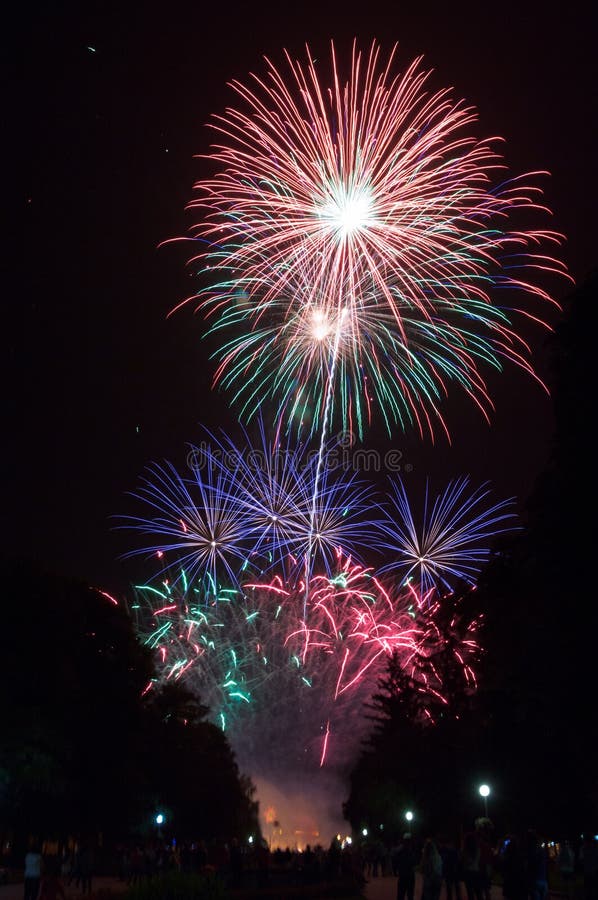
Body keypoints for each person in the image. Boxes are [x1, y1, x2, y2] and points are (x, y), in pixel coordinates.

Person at [396, 834, 417, 900]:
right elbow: (414, 862)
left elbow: (396, 860)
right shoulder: (412, 851)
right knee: (409, 895)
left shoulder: (400, 850)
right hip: (409, 875)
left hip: (403, 875)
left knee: (401, 894)